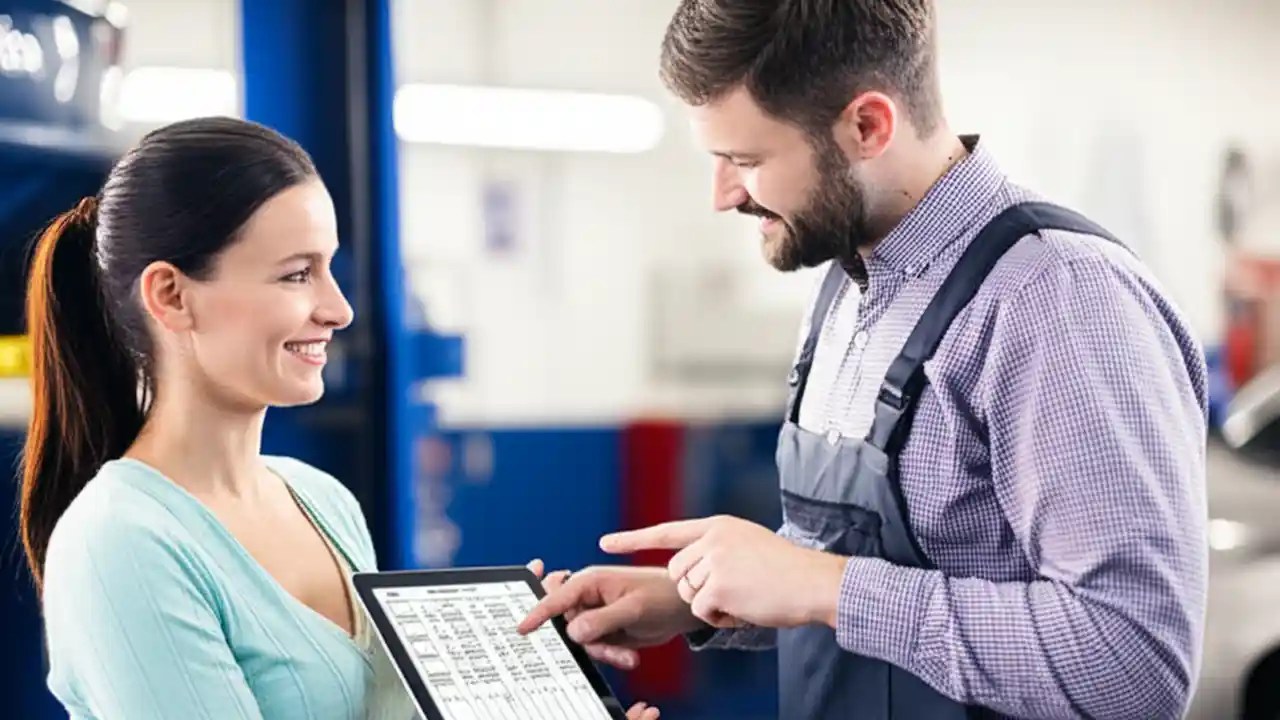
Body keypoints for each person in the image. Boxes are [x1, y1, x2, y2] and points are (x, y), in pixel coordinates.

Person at [520, 2, 1209, 719]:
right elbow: (858, 574)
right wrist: (695, 597)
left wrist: (822, 585)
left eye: (746, 161)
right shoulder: (846, 284)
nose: (722, 196)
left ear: (868, 126)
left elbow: (1131, 663)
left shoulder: (1055, 298)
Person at [20, 117, 660, 720]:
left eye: (328, 268)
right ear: (171, 295)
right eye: (297, 274)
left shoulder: (321, 499)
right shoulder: (121, 543)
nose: (339, 309)